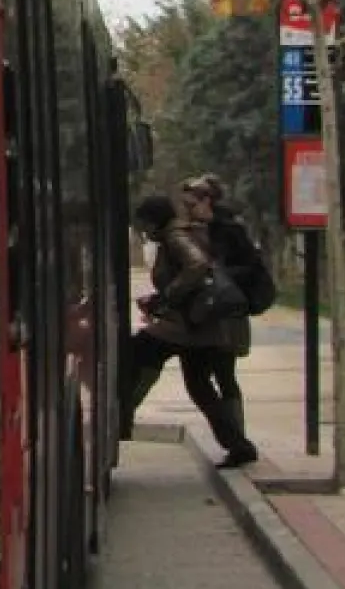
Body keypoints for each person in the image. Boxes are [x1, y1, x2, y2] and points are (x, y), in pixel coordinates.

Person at [118, 192, 259, 469]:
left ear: (155, 221)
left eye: (145, 224)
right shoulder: (183, 233)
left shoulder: (175, 237)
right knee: (200, 386)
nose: (144, 231)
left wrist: (167, 296)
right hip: (197, 325)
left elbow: (196, 265)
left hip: (186, 326)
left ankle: (123, 415)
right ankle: (240, 446)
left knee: (139, 351)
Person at [177, 173, 261, 468]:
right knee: (214, 377)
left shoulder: (228, 231)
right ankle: (236, 440)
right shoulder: (197, 230)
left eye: (191, 204)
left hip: (227, 313)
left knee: (223, 376)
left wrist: (216, 275)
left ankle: (238, 440)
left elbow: (248, 267)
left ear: (206, 200)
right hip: (211, 313)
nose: (188, 210)